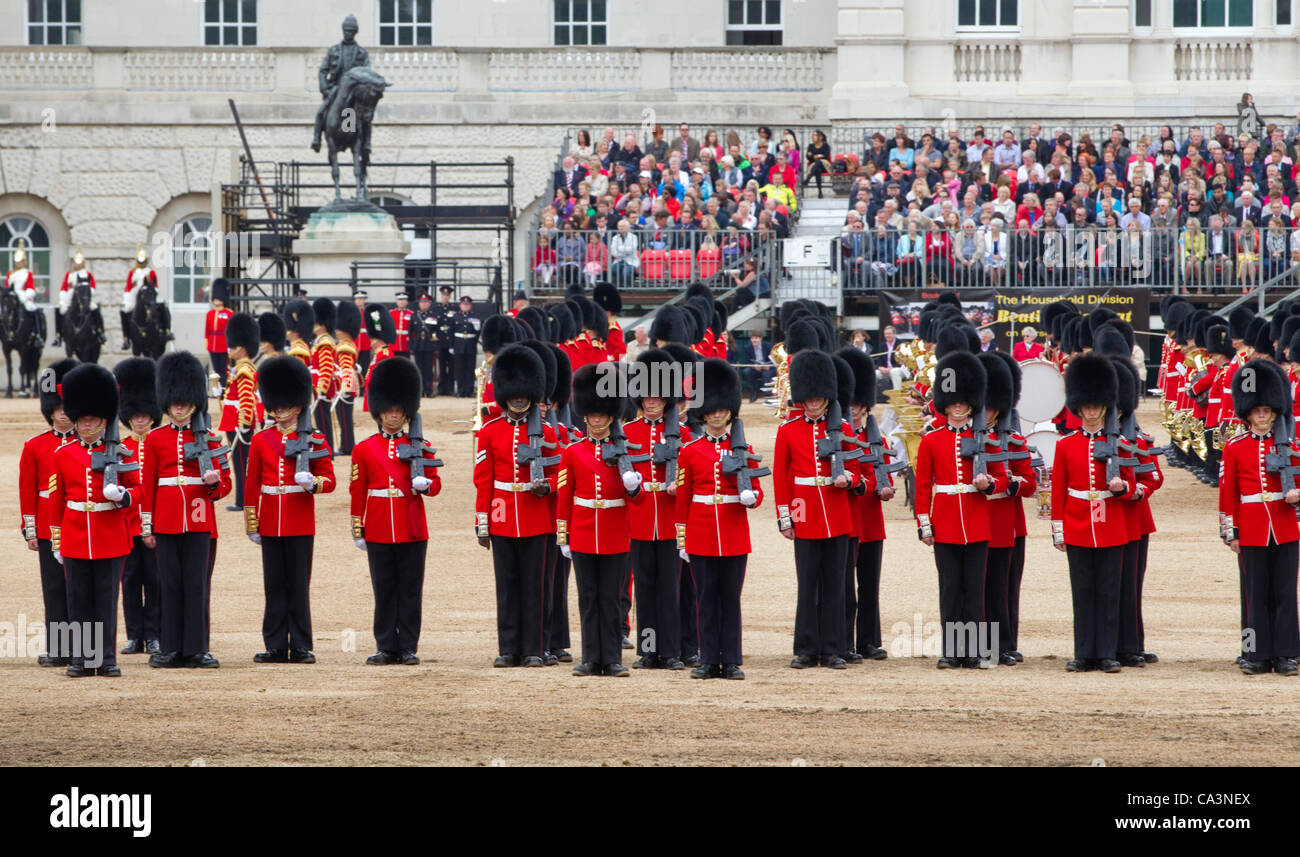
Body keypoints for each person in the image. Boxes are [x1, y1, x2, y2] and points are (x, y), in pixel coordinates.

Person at [914, 348, 1007, 668]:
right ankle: (952, 651)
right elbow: (923, 486)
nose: (957, 405)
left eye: (963, 401)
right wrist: (924, 523)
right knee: (950, 589)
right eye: (952, 401)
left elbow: (1002, 479)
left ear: (971, 402)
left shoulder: (987, 439)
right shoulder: (931, 439)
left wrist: (990, 486)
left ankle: (974, 651)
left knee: (974, 590)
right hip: (946, 523)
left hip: (977, 520)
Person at [48, 363, 141, 676]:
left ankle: (106, 658)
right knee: (79, 602)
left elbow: (138, 489)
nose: (87, 426)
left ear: (104, 420)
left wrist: (123, 498)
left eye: (93, 420)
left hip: (109, 531)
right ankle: (82, 658)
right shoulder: (63, 454)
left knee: (105, 600)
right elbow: (57, 499)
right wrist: (57, 540)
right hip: (75, 534)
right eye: (83, 420)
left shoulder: (123, 452)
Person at [675, 358, 764, 679]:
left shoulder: (743, 447)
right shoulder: (690, 451)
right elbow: (683, 499)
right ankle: (709, 659)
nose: (717, 414)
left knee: (731, 598)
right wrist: (682, 539)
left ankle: (731, 659)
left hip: (733, 531)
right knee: (705, 597)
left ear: (729, 411)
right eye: (712, 410)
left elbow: (756, 490)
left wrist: (752, 497)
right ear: (704, 411)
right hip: (700, 533)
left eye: (722, 409)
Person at [142, 351, 231, 670]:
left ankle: (197, 648)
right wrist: (147, 526)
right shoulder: (155, 439)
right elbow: (148, 485)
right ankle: (170, 648)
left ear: (194, 401)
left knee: (197, 586)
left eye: (184, 401)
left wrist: (212, 483)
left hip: (199, 521)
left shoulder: (209, 438)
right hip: (165, 522)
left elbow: (225, 488)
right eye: (174, 401)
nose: (179, 407)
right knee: (169, 585)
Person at [351, 357, 442, 666]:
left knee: (410, 590)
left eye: (399, 410)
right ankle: (386, 644)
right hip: (377, 526)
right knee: (384, 589)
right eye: (389, 410)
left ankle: (408, 646)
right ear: (379, 412)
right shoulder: (364, 448)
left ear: (406, 412)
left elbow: (437, 485)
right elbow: (357, 491)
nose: (393, 415)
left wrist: (424, 483)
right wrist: (357, 528)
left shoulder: (422, 445)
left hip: (411, 526)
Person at [556, 362, 644, 677]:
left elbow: (639, 497)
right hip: (582, 533)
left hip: (615, 533)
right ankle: (591, 658)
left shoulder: (625, 451)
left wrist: (634, 486)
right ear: (585, 416)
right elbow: (564, 497)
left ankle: (613, 659)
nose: (596, 420)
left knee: (611, 600)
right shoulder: (573, 452)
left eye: (602, 415)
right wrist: (563, 535)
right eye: (592, 415)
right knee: (588, 599)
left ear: (610, 416)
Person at [246, 356, 336, 664]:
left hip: (299, 519)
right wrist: (252, 521)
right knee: (273, 585)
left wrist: (313, 484)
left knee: (298, 585)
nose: (280, 412)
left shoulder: (314, 439)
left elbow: (331, 479)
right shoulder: (261, 440)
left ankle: (300, 644)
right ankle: (274, 644)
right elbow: (251, 483)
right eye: (276, 407)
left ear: (298, 405)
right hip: (270, 518)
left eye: (286, 406)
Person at [775, 350, 862, 670]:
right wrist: (787, 518)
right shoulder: (788, 430)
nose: (813, 402)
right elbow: (784, 480)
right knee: (807, 584)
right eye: (808, 396)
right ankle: (806, 648)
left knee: (835, 585)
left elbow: (858, 473)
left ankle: (833, 648)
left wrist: (847, 479)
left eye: (818, 396)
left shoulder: (843, 429)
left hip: (837, 514)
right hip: (805, 513)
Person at [474, 344, 559, 668]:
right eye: (514, 392)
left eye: (524, 393)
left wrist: (546, 486)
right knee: (507, 585)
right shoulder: (489, 432)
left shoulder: (547, 431)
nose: (519, 398)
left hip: (537, 514)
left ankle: (535, 648)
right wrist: (483, 521)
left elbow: (558, 473)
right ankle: (509, 647)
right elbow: (483, 480)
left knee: (536, 586)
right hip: (503, 512)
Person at [1052, 353, 1137, 673]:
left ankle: (1106, 653)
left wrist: (1121, 489)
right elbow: (1059, 489)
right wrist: (1058, 529)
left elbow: (1131, 487)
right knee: (1082, 591)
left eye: (1096, 406)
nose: (1090, 411)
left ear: (1104, 407)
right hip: (1077, 523)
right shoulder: (1065, 444)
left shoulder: (1122, 444)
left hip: (1110, 522)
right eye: (1086, 406)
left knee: (1108, 591)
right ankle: (1084, 652)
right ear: (1078, 407)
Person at [1222, 359, 1300, 675]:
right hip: (1252, 526)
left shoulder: (1292, 446)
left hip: (1285, 525)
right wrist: (1231, 532)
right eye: (1257, 411)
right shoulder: (1235, 447)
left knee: (1284, 592)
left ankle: (1287, 653)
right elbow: (1228, 493)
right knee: (1254, 592)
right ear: (1248, 413)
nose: (1263, 415)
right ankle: (1254, 652)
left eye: (1267, 410)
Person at [625, 348, 692, 670]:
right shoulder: (627, 435)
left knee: (671, 590)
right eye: (646, 397)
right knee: (646, 592)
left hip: (670, 522)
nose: (651, 402)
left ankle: (671, 650)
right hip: (639, 521)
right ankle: (648, 650)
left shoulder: (686, 436)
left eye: (657, 397)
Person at [20, 359, 78, 666]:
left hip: (80, 523)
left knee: (80, 589)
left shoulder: (87, 446)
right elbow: (28, 491)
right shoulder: (35, 446)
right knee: (54, 588)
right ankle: (59, 648)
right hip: (46, 527)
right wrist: (30, 529)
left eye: (67, 406)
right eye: (58, 408)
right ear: (50, 410)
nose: (64, 413)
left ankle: (85, 648)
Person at [980, 352, 1037, 666]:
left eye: (991, 406)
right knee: (978, 589)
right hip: (975, 521)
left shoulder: (1012, 440)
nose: (987, 412)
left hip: (1006, 522)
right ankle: (979, 645)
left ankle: (1005, 643)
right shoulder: (966, 439)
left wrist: (1009, 483)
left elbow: (1029, 483)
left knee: (1004, 588)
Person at [114, 358, 162, 660]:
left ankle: (155, 634)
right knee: (130, 581)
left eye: (144, 415)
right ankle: (134, 635)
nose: (140, 420)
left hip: (155, 522)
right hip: (127, 523)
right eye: (135, 416)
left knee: (156, 581)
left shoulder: (160, 442)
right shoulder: (120, 447)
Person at [218, 313, 259, 512]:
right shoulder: (239, 368)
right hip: (235, 421)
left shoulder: (243, 369)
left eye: (232, 346)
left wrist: (244, 423)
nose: (229, 349)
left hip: (239, 423)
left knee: (242, 464)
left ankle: (243, 500)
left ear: (241, 348)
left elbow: (246, 399)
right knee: (240, 463)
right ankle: (243, 499)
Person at [333, 300, 362, 456]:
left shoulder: (344, 346)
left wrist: (344, 388)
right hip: (346, 388)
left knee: (344, 420)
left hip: (345, 389)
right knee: (345, 419)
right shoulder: (347, 343)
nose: (336, 330)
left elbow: (346, 369)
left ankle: (347, 447)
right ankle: (346, 445)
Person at [310, 298, 338, 455]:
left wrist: (321, 388)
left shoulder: (325, 341)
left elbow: (326, 368)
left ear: (322, 324)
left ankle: (327, 450)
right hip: (318, 387)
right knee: (321, 420)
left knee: (323, 421)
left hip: (322, 388)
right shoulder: (320, 340)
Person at [362, 303, 396, 413]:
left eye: (373, 339)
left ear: (379, 339)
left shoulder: (384, 355)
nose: (371, 342)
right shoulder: (379, 354)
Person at [205, 280, 233, 397]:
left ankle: (224, 389)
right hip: (213, 343)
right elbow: (207, 330)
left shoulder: (228, 313)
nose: (216, 300)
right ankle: (217, 391)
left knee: (223, 369)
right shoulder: (210, 313)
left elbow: (230, 330)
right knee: (216, 369)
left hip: (223, 344)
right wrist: (207, 341)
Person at [410, 291, 438, 398]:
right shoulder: (414, 316)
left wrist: (436, 346)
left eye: (426, 302)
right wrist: (411, 346)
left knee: (428, 369)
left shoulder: (433, 315)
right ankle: (420, 390)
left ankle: (428, 390)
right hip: (418, 345)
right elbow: (410, 332)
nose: (424, 304)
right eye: (422, 302)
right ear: (419, 304)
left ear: (429, 304)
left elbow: (436, 332)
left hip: (429, 345)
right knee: (419, 369)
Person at [452, 296, 481, 398]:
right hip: (458, 345)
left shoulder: (475, 316)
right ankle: (460, 390)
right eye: (464, 304)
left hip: (470, 345)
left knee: (470, 369)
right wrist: (452, 346)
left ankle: (469, 390)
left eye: (467, 304)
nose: (465, 306)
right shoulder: (455, 316)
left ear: (470, 306)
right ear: (460, 305)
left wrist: (476, 330)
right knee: (459, 369)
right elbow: (452, 332)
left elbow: (478, 332)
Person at [435, 286, 458, 396]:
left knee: (452, 366)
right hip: (440, 341)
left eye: (447, 295)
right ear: (441, 296)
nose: (445, 297)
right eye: (443, 295)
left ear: (450, 296)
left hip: (451, 342)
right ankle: (441, 388)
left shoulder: (454, 309)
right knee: (442, 366)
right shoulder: (436, 309)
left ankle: (450, 388)